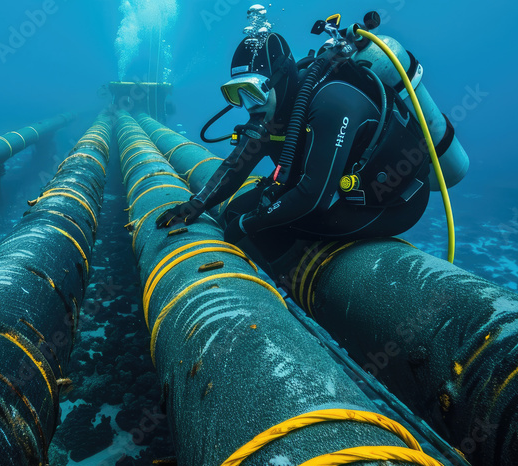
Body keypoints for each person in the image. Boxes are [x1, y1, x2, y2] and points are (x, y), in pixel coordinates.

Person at [156, 14, 434, 278]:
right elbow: (236, 165)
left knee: (254, 226)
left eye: (252, 90)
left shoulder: (331, 102)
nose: (248, 103)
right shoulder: (272, 110)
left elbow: (312, 197)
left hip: (390, 203)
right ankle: (275, 275)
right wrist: (195, 204)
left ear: (280, 77)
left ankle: (294, 293)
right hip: (326, 189)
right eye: (236, 93)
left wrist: (248, 224)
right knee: (234, 212)